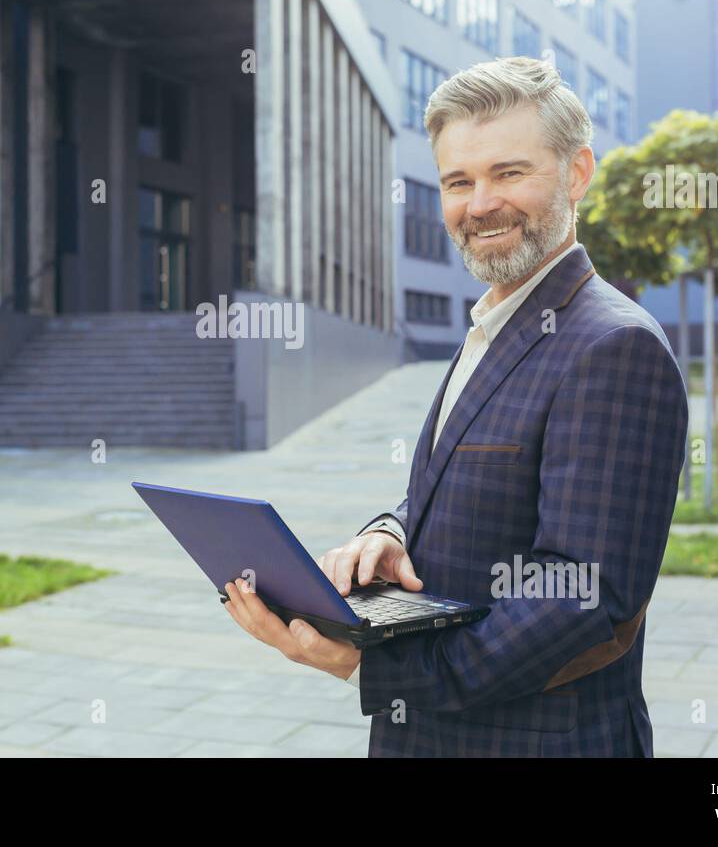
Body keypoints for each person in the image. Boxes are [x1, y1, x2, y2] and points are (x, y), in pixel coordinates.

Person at [223, 56, 689, 757]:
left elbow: (579, 598)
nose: (479, 205)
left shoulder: (611, 346)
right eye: (457, 182)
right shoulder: (495, 325)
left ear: (577, 173)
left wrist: (366, 664)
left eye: (509, 173)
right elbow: (460, 486)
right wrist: (391, 531)